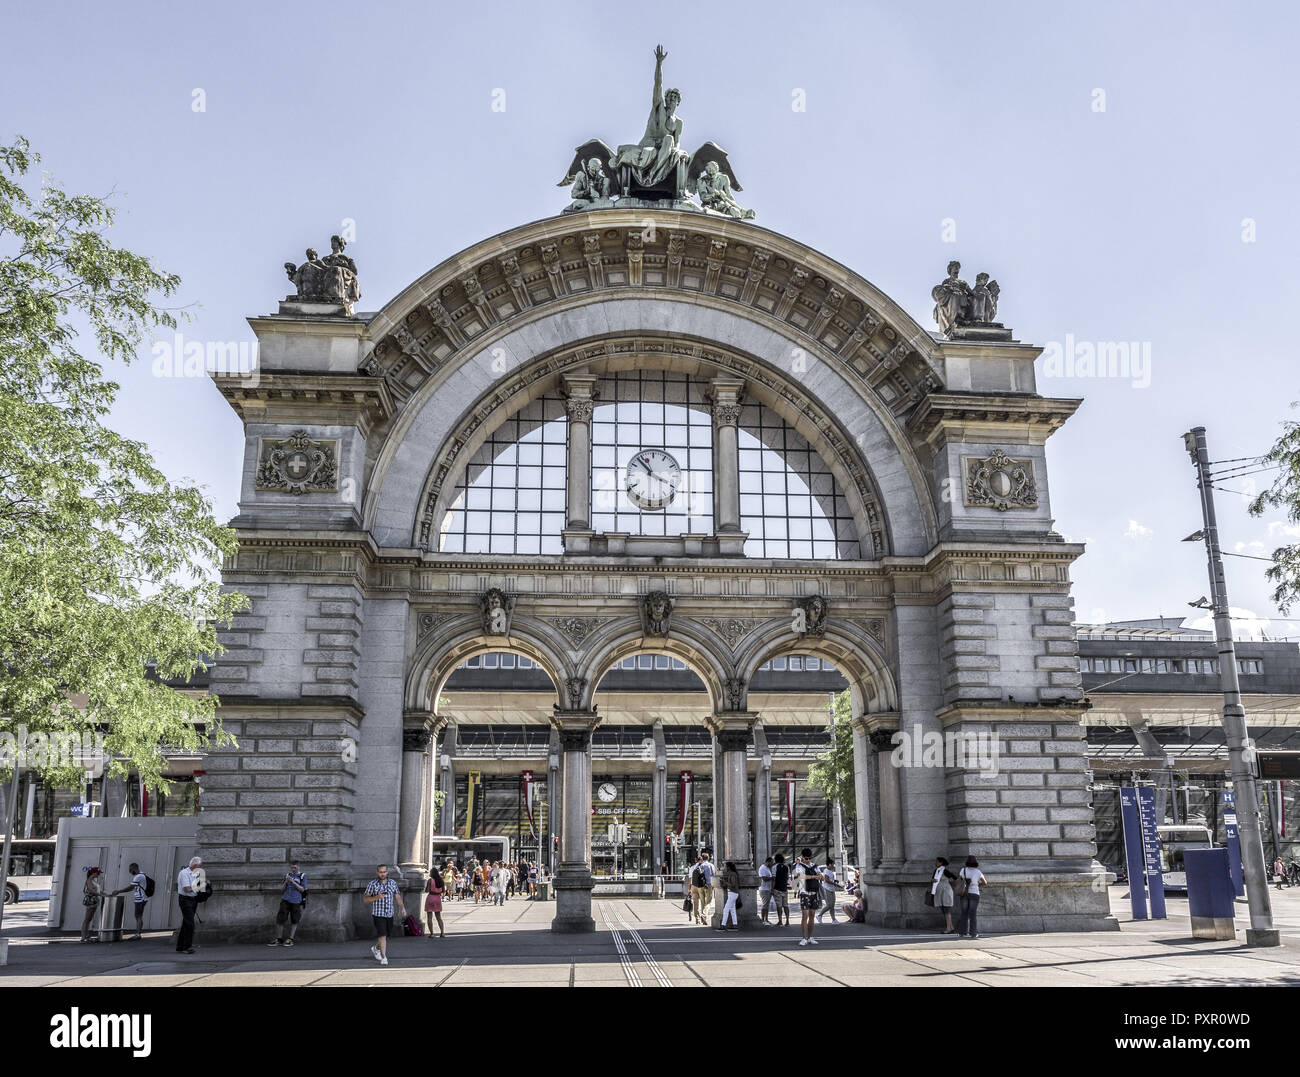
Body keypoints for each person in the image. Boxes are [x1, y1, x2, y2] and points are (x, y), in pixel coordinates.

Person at [362, 864, 407, 966]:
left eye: (384, 872)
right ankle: (384, 957)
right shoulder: (372, 884)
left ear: (387, 872)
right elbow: (365, 899)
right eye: (380, 872)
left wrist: (402, 908)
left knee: (385, 935)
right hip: (378, 913)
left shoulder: (392, 883)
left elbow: (397, 896)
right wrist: (376, 897)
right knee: (382, 934)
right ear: (377, 873)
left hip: (389, 913)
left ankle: (376, 948)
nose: (382, 874)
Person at [268, 860, 307, 947]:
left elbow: (302, 889)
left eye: (295, 867)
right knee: (280, 919)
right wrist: (286, 882)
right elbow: (281, 890)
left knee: (294, 920)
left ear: (298, 867)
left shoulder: (302, 876)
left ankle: (290, 939)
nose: (293, 869)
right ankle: (279, 939)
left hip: (296, 901)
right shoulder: (287, 875)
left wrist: (293, 882)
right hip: (285, 899)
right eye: (292, 867)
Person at [792, 849, 824, 946]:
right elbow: (801, 876)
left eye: (810, 858)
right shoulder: (798, 866)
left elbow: (821, 876)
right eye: (806, 858)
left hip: (814, 892)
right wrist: (814, 877)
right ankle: (804, 938)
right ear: (803, 857)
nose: (808, 860)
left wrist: (820, 876)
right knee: (804, 915)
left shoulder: (815, 866)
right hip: (804, 891)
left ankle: (810, 937)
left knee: (812, 915)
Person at [111, 862, 148, 941]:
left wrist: (119, 891)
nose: (130, 872)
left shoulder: (138, 876)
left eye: (130, 870)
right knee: (138, 916)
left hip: (140, 899)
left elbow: (131, 887)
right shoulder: (142, 875)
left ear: (135, 868)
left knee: (138, 916)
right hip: (141, 898)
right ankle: (138, 933)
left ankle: (137, 934)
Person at [955, 856, 988, 939]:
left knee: (964, 913)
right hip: (974, 893)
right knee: (973, 914)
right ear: (975, 863)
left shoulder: (963, 870)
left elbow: (957, 881)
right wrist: (977, 886)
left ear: (967, 862)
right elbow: (985, 883)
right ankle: (973, 933)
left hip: (964, 893)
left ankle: (962, 932)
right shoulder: (978, 872)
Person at [176, 856, 202, 954]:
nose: (201, 868)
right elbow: (187, 889)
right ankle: (186, 947)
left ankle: (180, 946)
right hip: (185, 899)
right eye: (199, 866)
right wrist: (199, 887)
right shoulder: (184, 873)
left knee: (186, 923)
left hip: (193, 899)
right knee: (190, 924)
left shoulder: (197, 873)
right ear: (194, 865)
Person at [933, 857, 957, 934]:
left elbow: (955, 878)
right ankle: (951, 927)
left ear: (941, 863)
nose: (936, 863)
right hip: (939, 892)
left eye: (937, 861)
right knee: (943, 910)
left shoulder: (945, 871)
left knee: (946, 909)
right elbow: (933, 879)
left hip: (946, 891)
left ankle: (948, 928)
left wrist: (953, 886)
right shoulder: (936, 871)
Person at [80, 866, 104, 943]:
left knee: (89, 919)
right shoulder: (89, 880)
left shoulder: (94, 880)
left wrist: (106, 894)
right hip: (90, 900)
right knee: (87, 919)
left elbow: (99, 890)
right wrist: (101, 895)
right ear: (94, 873)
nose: (98, 875)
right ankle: (83, 937)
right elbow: (91, 890)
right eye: (98, 873)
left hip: (94, 900)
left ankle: (86, 936)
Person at [689, 853, 714, 925]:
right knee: (708, 902)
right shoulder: (710, 865)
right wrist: (713, 887)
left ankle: (702, 919)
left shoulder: (699, 866)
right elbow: (713, 875)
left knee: (702, 902)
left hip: (700, 886)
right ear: (708, 858)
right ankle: (704, 915)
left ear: (702, 858)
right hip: (708, 885)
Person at [816, 857, 842, 925]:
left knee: (832, 905)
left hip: (831, 889)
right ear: (829, 864)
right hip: (827, 889)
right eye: (833, 864)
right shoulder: (826, 871)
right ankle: (819, 916)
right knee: (829, 905)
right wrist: (835, 884)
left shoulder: (830, 871)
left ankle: (833, 920)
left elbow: (829, 879)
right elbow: (826, 880)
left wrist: (834, 881)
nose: (834, 865)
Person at [717, 860, 741, 932]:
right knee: (732, 910)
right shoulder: (731, 873)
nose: (725, 868)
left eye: (726, 866)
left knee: (726, 909)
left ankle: (723, 925)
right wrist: (723, 883)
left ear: (728, 867)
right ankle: (735, 925)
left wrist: (725, 882)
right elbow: (730, 884)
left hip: (733, 893)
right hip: (732, 893)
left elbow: (733, 885)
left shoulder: (732, 874)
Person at [425, 864, 446, 938]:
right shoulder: (441, 880)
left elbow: (427, 890)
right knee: (438, 917)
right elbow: (443, 891)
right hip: (437, 898)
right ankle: (442, 932)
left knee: (429, 917)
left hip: (430, 897)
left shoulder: (430, 880)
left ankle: (432, 933)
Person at [771, 853, 790, 927]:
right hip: (784, 888)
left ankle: (780, 920)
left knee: (779, 905)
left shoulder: (774, 867)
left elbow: (774, 879)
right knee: (785, 905)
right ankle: (787, 921)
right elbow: (787, 877)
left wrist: (772, 889)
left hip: (777, 888)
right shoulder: (787, 866)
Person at [758, 856, 775, 925]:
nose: (772, 864)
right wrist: (772, 878)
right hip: (764, 889)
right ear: (768, 862)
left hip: (767, 889)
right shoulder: (762, 868)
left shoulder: (767, 868)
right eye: (772, 863)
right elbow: (764, 878)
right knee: (765, 905)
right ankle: (762, 920)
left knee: (767, 905)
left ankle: (766, 919)